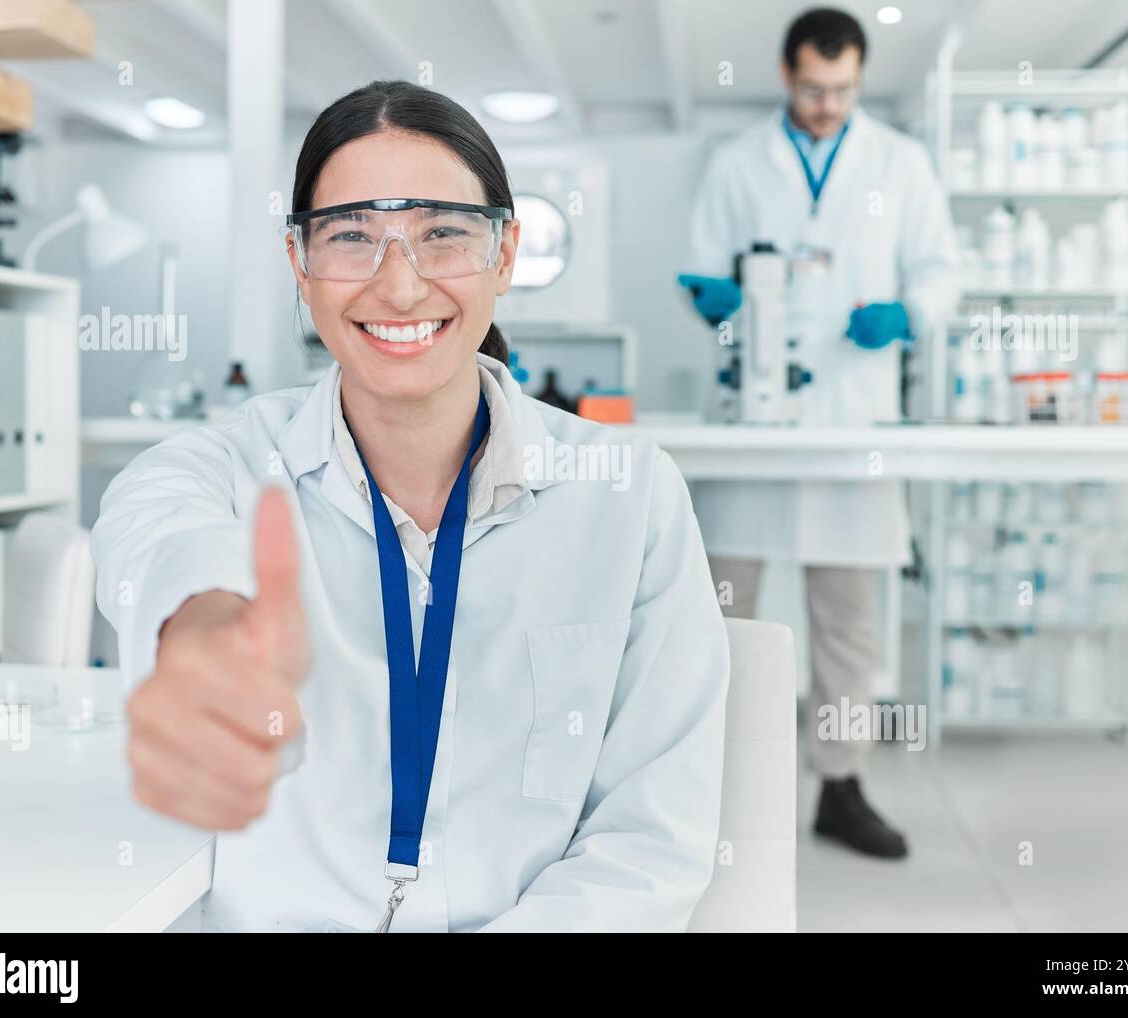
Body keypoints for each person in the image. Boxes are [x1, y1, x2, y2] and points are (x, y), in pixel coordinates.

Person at [91, 80, 730, 932]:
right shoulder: (236, 464)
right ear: (300, 263)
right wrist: (203, 623)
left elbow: (650, 843)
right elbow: (150, 516)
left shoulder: (630, 494)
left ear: (505, 254)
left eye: (442, 234)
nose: (399, 286)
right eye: (352, 236)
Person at [682, 7, 958, 858]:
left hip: (852, 419)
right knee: (724, 612)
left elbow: (941, 270)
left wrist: (907, 314)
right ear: (786, 73)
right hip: (754, 422)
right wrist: (717, 302)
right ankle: (716, 786)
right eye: (813, 88)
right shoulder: (737, 162)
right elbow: (701, 269)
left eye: (842, 90)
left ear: (860, 79)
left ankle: (840, 784)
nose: (828, 104)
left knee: (849, 624)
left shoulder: (900, 163)